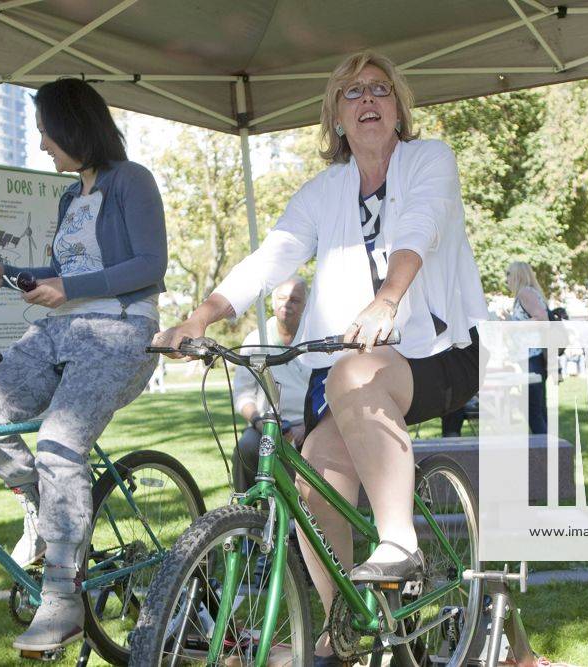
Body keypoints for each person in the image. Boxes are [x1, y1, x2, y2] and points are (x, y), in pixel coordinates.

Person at [153, 50, 488, 664]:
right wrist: (201, 317)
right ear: (336, 116)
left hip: (439, 352)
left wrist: (389, 297)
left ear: (399, 108)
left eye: (380, 90)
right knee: (313, 470)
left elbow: (422, 224)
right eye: (353, 92)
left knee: (354, 372)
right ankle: (342, 629)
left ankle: (399, 540)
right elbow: (272, 257)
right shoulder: (323, 191)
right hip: (352, 370)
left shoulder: (428, 160)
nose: (368, 100)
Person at [0, 78, 166, 653]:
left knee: (59, 441)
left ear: (74, 127)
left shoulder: (132, 180)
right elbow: (59, 274)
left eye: (47, 132)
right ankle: (50, 504)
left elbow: (149, 264)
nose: (42, 143)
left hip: (121, 330)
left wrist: (64, 284)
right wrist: (14, 273)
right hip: (59, 329)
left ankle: (63, 600)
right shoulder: (74, 197)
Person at [230, 277, 310, 491]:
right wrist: (259, 422)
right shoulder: (255, 340)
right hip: (266, 425)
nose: (287, 304)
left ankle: (307, 518)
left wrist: (308, 426)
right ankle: (245, 517)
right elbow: (243, 395)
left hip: (311, 426)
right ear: (273, 303)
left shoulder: (315, 338)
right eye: (281, 298)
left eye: (294, 300)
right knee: (246, 447)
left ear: (306, 305)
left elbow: (331, 393)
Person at [506, 261, 550, 434]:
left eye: (509, 274)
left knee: (533, 412)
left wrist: (514, 326)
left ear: (518, 275)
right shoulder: (527, 293)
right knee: (537, 410)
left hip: (532, 358)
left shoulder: (525, 293)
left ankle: (545, 453)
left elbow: (542, 319)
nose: (506, 279)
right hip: (531, 358)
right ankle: (550, 453)